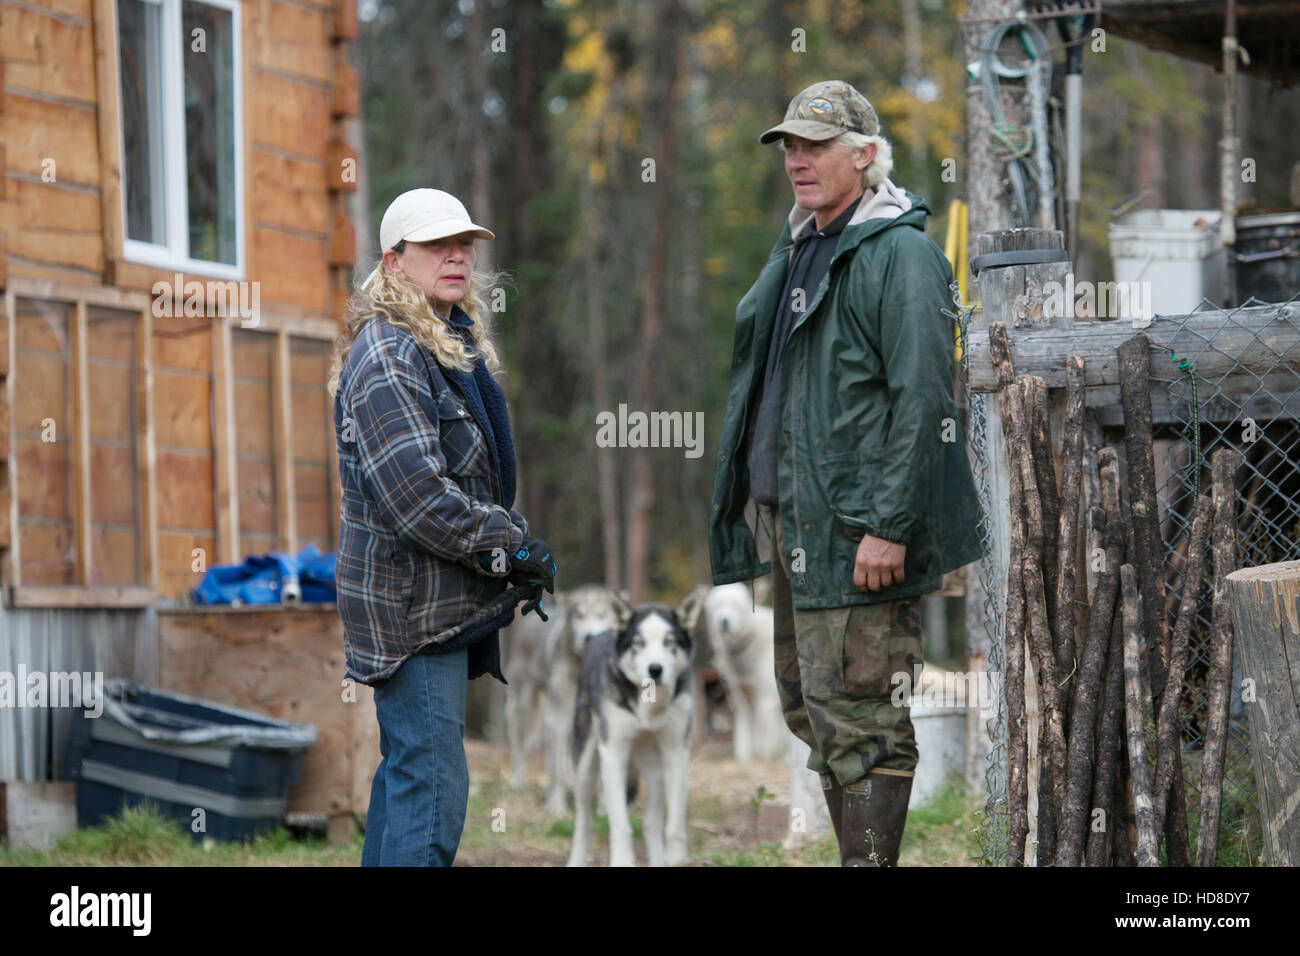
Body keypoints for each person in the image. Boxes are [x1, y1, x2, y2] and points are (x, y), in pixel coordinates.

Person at [708, 81, 984, 866]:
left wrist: (889, 526)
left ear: (865, 155)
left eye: (816, 145)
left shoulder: (901, 255)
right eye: (789, 146)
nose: (797, 160)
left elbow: (926, 399)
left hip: (861, 535)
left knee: (864, 718)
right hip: (804, 528)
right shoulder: (802, 246)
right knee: (815, 709)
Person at [329, 188, 556, 866]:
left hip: (433, 601)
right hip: (410, 610)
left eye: (464, 244)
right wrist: (509, 540)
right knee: (430, 793)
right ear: (394, 263)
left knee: (410, 782)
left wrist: (503, 546)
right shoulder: (390, 354)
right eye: (435, 245)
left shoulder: (443, 345)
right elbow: (418, 499)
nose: (457, 255)